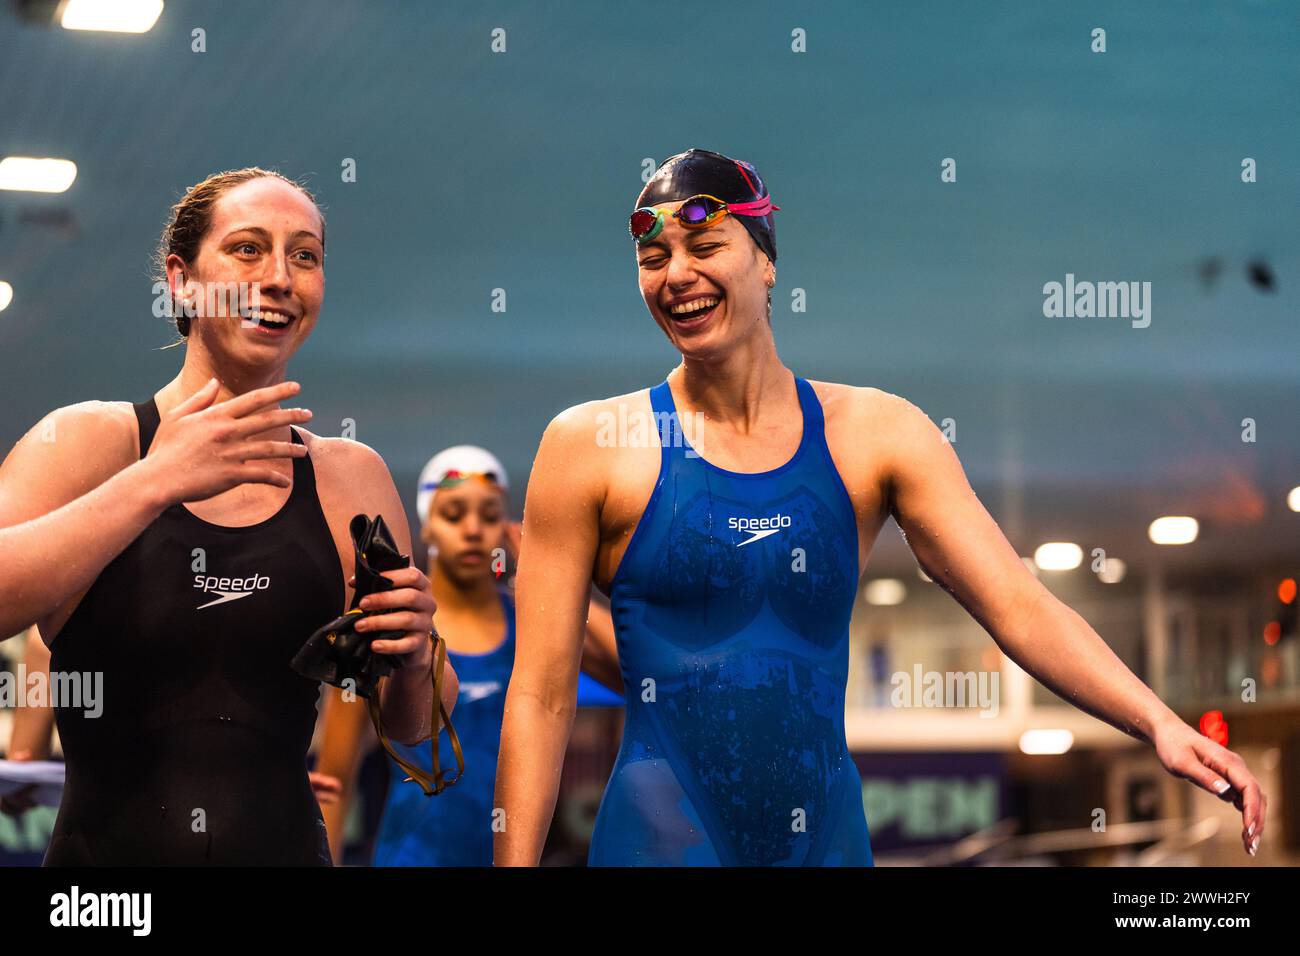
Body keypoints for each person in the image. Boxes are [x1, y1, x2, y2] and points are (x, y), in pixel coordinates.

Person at [494, 147, 1268, 866]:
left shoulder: (876, 434)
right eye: (652, 257)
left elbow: (1019, 606)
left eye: (704, 248)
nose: (676, 275)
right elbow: (540, 693)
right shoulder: (589, 445)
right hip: (658, 843)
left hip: (825, 842)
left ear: (766, 264)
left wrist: (1159, 721)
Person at [0, 167, 454, 865]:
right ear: (181, 281)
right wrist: (155, 480)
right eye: (247, 249)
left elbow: (414, 728)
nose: (279, 276)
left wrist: (419, 653)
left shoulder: (349, 478)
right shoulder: (88, 443)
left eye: (304, 256)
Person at [316, 445, 622, 865]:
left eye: (490, 515)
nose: (474, 529)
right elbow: (334, 777)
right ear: (425, 526)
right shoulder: (397, 626)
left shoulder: (531, 620)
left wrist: (553, 580)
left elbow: (635, 672)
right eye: (455, 515)